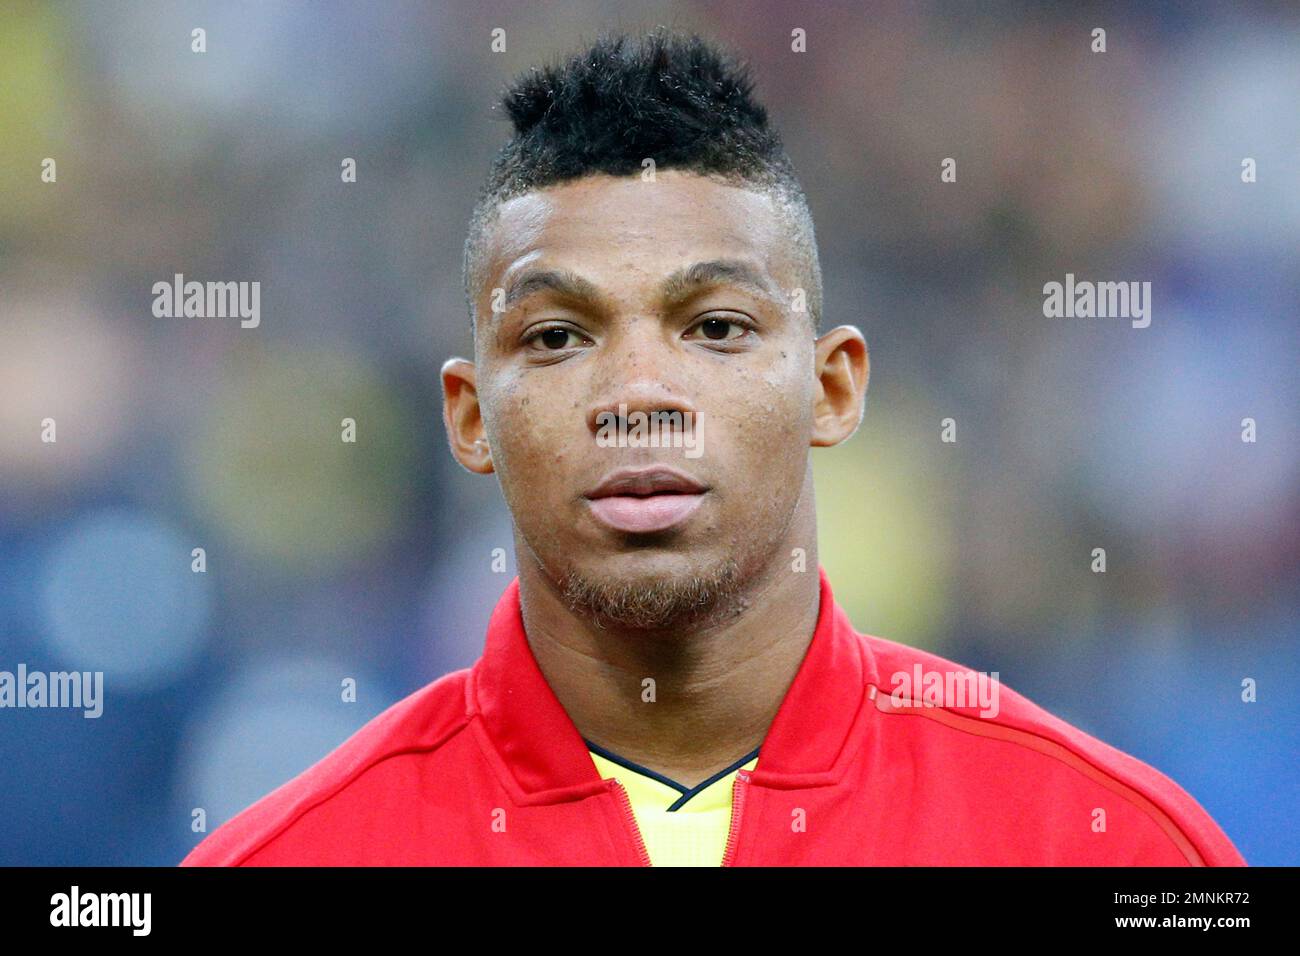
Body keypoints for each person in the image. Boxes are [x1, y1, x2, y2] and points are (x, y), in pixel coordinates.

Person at [181, 28, 1244, 867]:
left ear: (832, 387)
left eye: (716, 327)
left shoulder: (1103, 840)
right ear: (470, 419)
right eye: (557, 336)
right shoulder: (293, 854)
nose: (638, 393)